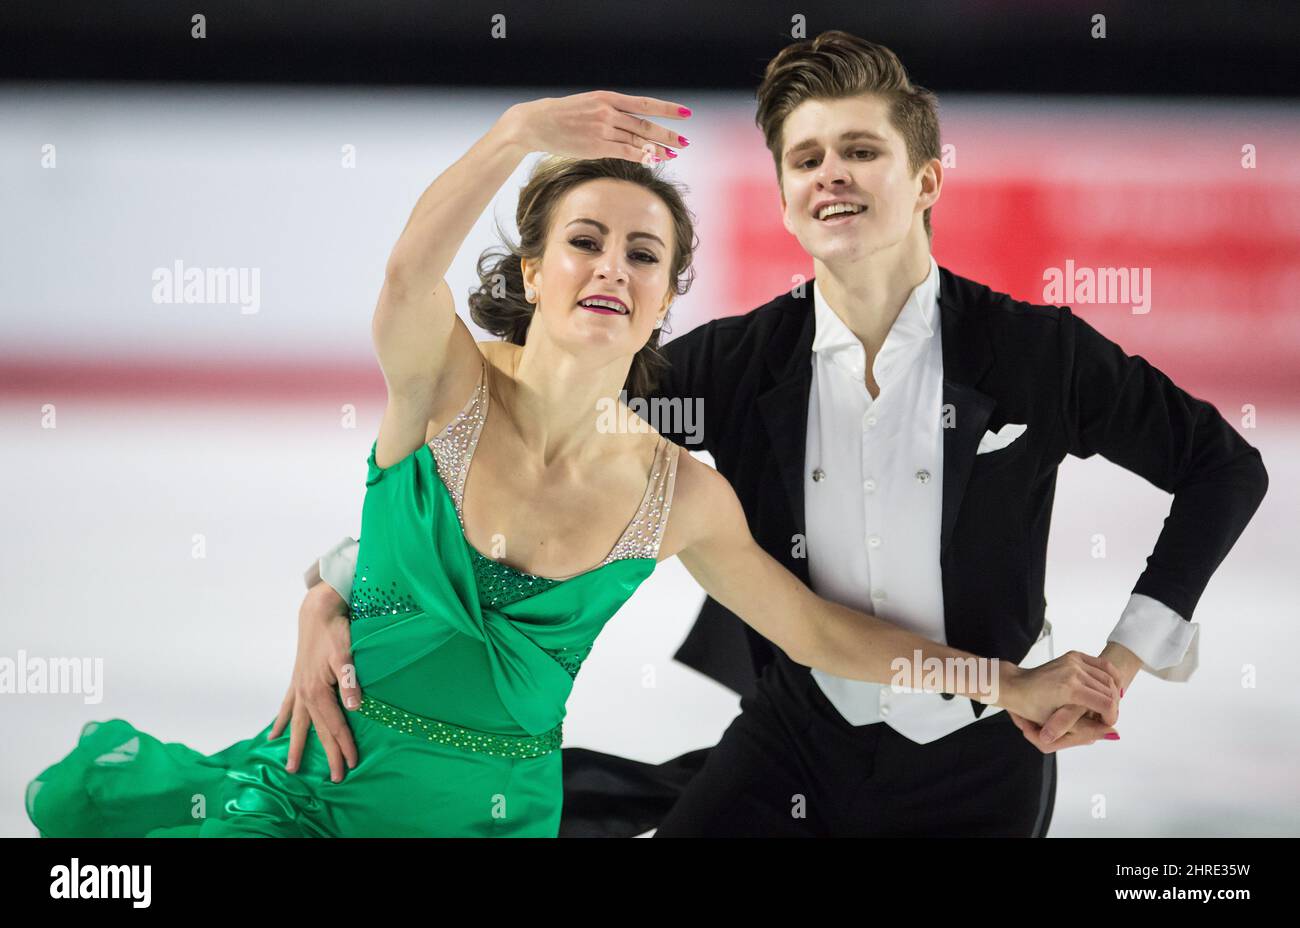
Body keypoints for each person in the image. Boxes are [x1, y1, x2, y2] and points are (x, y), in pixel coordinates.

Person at [23, 90, 1121, 839]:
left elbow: (826, 635)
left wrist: (1003, 681)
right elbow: (409, 274)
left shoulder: (677, 493)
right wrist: (516, 133)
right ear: (536, 271)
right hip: (324, 789)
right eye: (585, 240)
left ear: (662, 300)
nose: (613, 265)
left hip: (497, 813)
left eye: (644, 253)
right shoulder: (447, 390)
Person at [299, 32, 1268, 839]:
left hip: (989, 745)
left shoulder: (1034, 355)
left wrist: (1117, 663)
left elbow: (1222, 468)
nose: (830, 175)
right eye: (805, 159)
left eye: (860, 151)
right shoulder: (726, 368)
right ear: (782, 197)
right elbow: (529, 448)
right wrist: (337, 588)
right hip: (797, 732)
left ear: (926, 178)